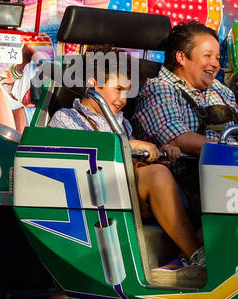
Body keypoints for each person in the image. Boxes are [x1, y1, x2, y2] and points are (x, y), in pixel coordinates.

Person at [52, 47, 204, 278]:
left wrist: (162, 152)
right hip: (89, 195)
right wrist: (131, 145)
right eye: (118, 89)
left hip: (124, 191)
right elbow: (85, 154)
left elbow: (134, 157)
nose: (123, 99)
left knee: (203, 185)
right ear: (94, 84)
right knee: (156, 175)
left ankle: (188, 260)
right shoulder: (66, 118)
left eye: (127, 92)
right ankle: (197, 256)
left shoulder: (122, 123)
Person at [134, 21, 238, 157]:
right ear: (181, 57)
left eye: (217, 58)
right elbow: (178, 139)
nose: (216, 64)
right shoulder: (159, 88)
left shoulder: (218, 89)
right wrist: (233, 152)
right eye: (207, 56)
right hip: (195, 170)